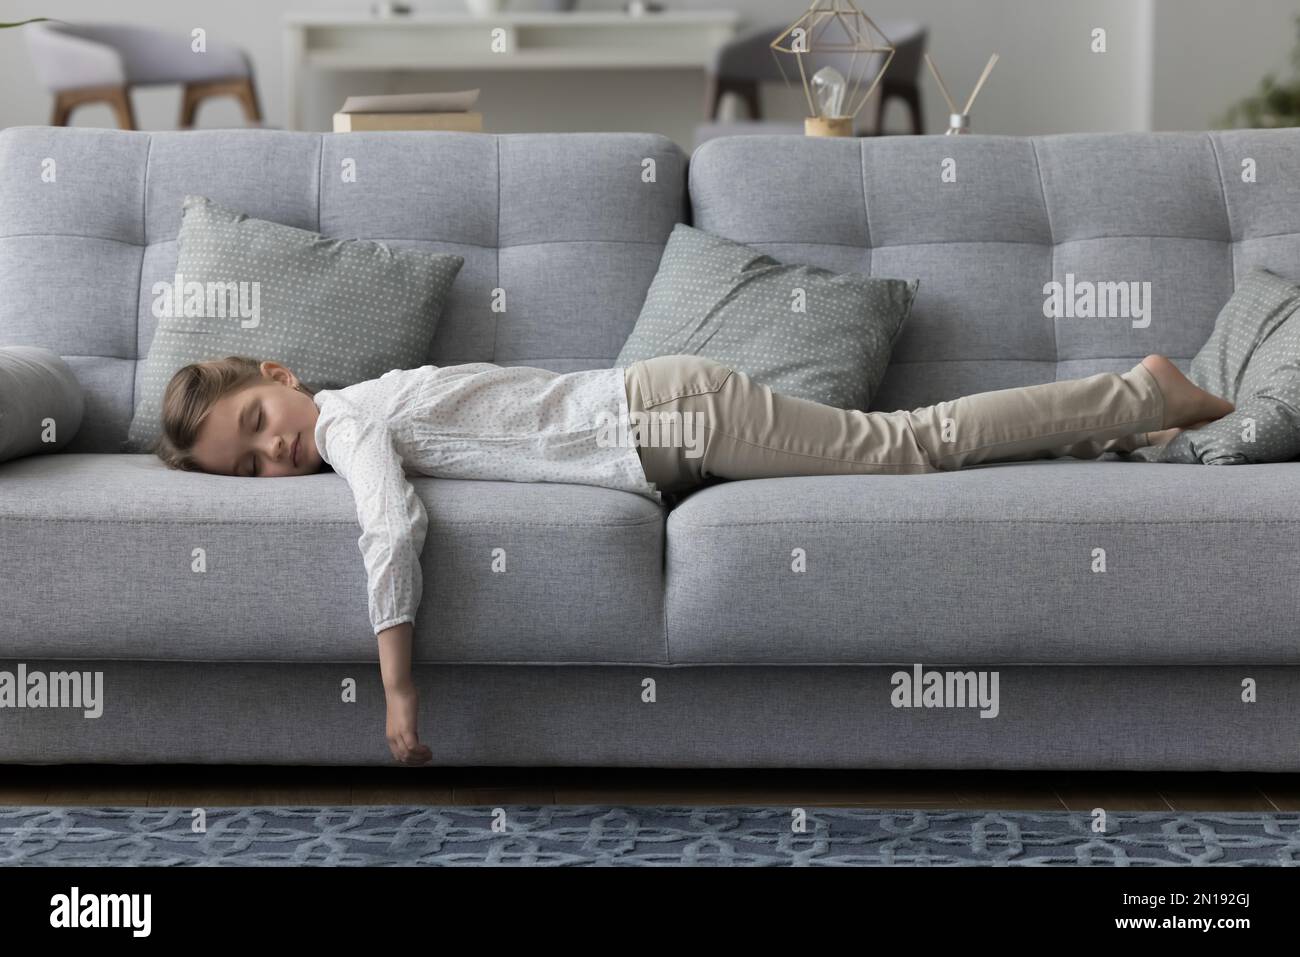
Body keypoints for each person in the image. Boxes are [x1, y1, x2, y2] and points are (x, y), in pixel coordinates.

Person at [152, 352, 1233, 765]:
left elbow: (389, 524)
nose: (272, 451)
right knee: (902, 443)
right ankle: (1114, 425)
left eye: (255, 419)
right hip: (666, 426)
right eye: (246, 468)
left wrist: (394, 687)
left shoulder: (345, 422)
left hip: (673, 417)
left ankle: (1138, 393)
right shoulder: (350, 410)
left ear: (278, 373)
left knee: (906, 445)